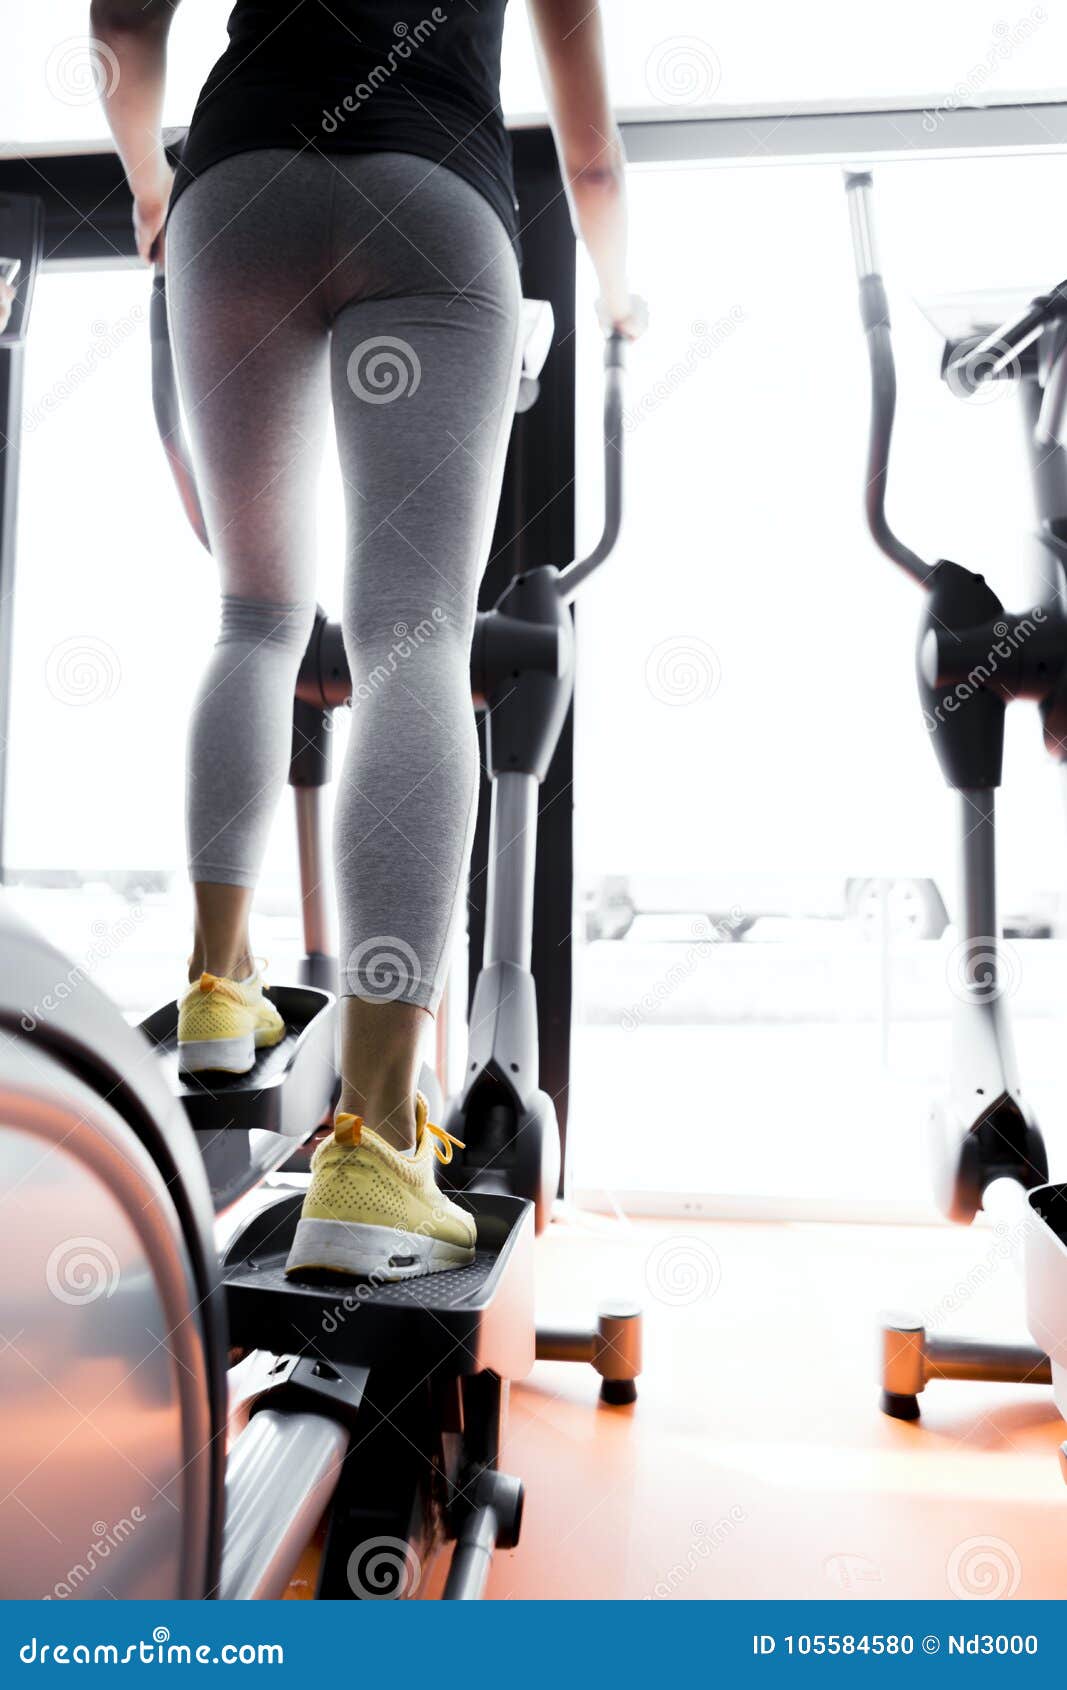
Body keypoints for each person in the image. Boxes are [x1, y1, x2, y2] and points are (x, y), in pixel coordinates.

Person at [89, 0, 645, 1280]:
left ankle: (220, 993)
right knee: (413, 638)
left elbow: (121, 21)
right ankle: (377, 1142)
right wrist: (620, 295)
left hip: (236, 186)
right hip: (433, 197)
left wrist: (147, 176)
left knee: (252, 614)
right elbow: (594, 156)